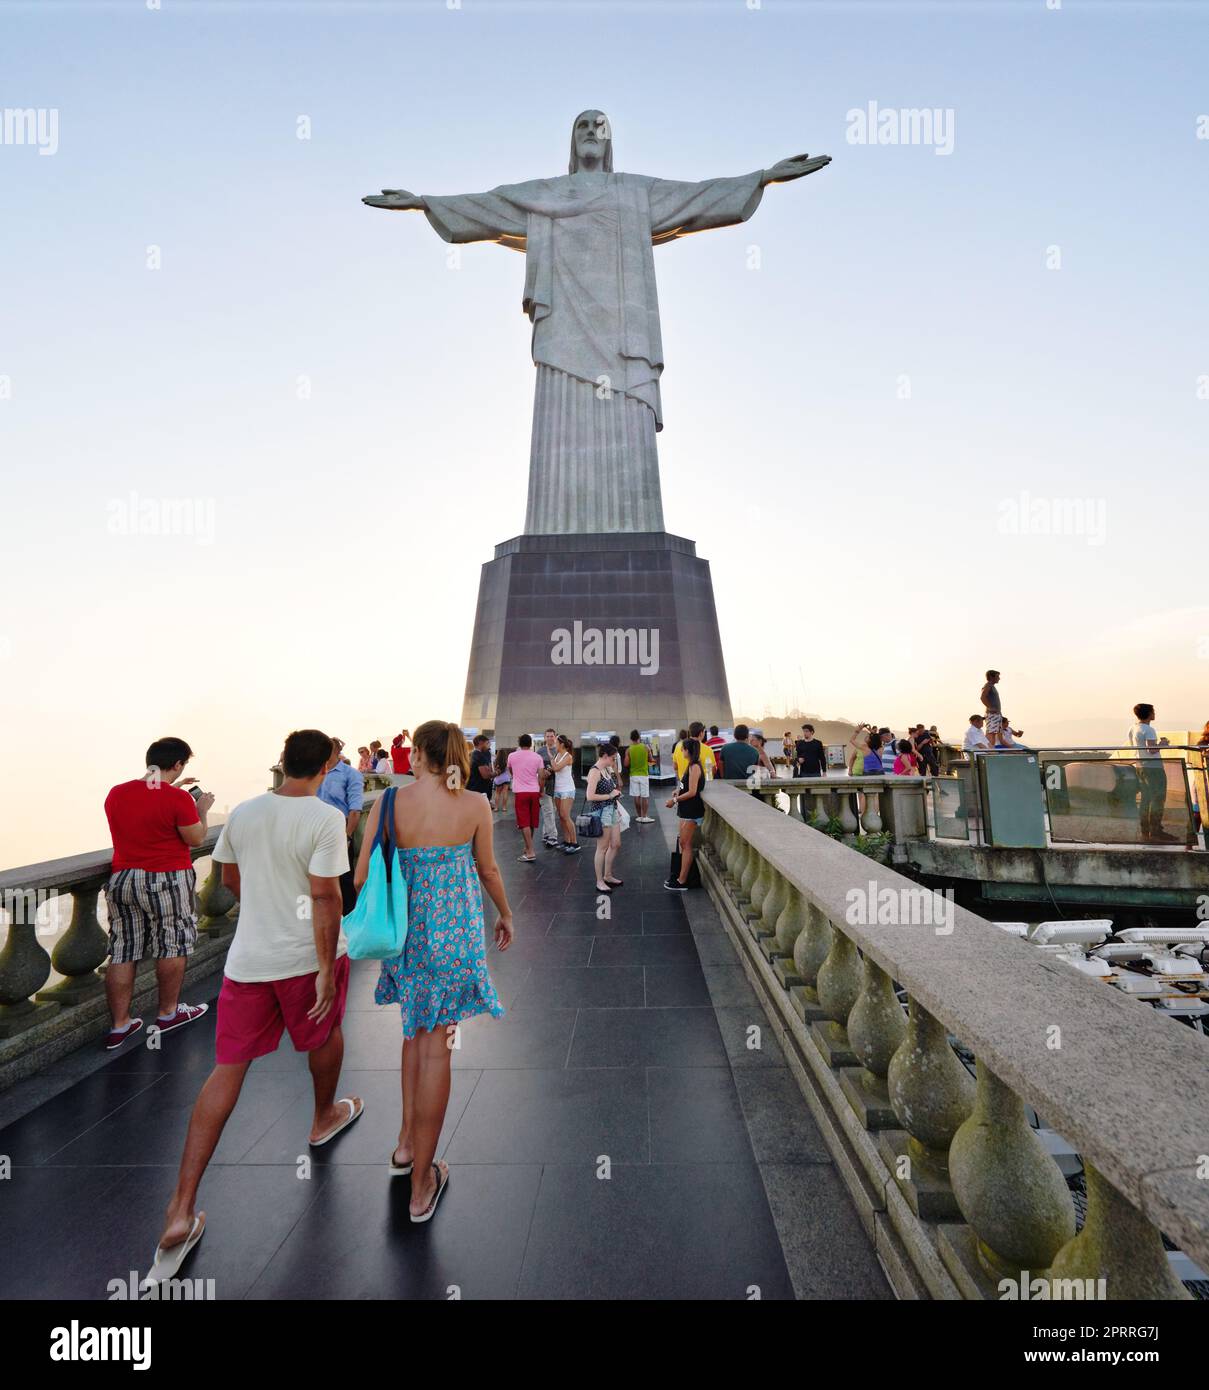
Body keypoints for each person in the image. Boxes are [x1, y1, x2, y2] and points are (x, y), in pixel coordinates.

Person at [146, 729, 355, 1283]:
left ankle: (180, 1209)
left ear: (283, 761)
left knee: (227, 1070)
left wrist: (263, 910)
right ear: (329, 765)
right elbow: (326, 896)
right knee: (324, 1032)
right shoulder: (325, 819)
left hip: (247, 961)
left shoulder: (242, 814)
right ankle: (322, 1115)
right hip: (303, 957)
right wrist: (325, 971)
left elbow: (230, 878)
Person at [360, 720, 512, 1223]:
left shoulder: (387, 803)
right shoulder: (472, 803)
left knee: (413, 1034)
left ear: (420, 754)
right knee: (439, 1047)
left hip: (405, 936)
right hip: (454, 936)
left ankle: (407, 1147)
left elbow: (361, 875)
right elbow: (487, 868)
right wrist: (506, 914)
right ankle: (422, 1185)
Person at [102, 737, 213, 1050]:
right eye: (182, 766)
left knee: (124, 949)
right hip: (166, 878)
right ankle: (167, 1014)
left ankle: (120, 1025)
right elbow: (195, 838)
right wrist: (200, 809)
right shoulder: (178, 799)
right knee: (172, 942)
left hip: (122, 878)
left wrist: (174, 790)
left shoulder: (117, 793)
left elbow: (145, 811)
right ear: (177, 764)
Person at [318, 737, 364, 914]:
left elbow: (355, 809)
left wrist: (347, 836)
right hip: (316, 826)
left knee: (343, 876)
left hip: (339, 827)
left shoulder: (350, 774)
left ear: (337, 751)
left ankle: (348, 916)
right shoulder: (315, 771)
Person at [1128, 702, 1176, 843]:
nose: (1155, 713)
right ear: (1149, 714)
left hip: (1140, 766)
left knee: (1145, 799)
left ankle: (1145, 831)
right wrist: (1164, 744)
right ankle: (1156, 831)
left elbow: (1137, 748)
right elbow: (1152, 749)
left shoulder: (1133, 728)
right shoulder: (1149, 730)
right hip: (1153, 768)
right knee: (1158, 798)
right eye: (1153, 711)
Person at [664, 737, 705, 892]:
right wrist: (678, 791)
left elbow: (693, 792)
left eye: (683, 748)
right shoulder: (691, 765)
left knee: (685, 844)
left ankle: (682, 881)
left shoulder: (695, 767)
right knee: (683, 843)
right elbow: (686, 787)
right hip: (687, 810)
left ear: (689, 750)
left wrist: (674, 800)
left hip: (692, 810)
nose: (681, 751)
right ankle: (681, 876)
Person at [585, 743, 624, 893]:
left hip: (611, 809)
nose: (614, 761)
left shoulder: (606, 770)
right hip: (601, 812)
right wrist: (610, 795)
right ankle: (599, 881)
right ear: (605, 756)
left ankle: (607, 875)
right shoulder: (595, 771)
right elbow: (590, 796)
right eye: (613, 758)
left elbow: (611, 789)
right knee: (602, 848)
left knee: (616, 844)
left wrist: (615, 795)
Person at [507, 733, 546, 862]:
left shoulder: (512, 756)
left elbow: (510, 771)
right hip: (534, 791)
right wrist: (540, 790)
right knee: (532, 821)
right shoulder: (537, 757)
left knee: (524, 822)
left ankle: (530, 851)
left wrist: (517, 776)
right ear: (531, 744)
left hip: (520, 792)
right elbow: (541, 776)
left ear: (519, 743)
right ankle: (528, 847)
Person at [551, 734, 580, 852]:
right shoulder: (557, 755)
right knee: (561, 817)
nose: (554, 744)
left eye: (556, 742)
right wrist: (552, 764)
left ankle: (575, 843)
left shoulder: (568, 756)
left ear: (561, 744)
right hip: (558, 789)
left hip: (567, 789)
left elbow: (556, 768)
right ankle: (567, 841)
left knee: (565, 816)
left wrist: (552, 761)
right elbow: (555, 768)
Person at [537, 728, 562, 850]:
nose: (550, 738)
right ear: (544, 737)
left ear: (555, 737)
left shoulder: (559, 750)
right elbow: (536, 768)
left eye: (552, 736)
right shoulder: (540, 751)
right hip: (544, 784)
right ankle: (552, 836)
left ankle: (546, 833)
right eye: (547, 736)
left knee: (553, 810)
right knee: (548, 810)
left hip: (558, 784)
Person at [624, 730, 653, 823]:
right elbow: (651, 760)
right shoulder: (646, 747)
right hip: (644, 775)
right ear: (639, 737)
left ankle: (639, 816)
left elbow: (626, 764)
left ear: (631, 738)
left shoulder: (629, 749)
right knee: (645, 796)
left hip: (633, 775)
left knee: (636, 796)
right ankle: (644, 817)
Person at [981, 670, 1003, 748]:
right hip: (992, 714)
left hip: (996, 714)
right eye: (997, 676)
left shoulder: (992, 686)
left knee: (993, 733)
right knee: (991, 733)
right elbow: (982, 697)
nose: (999, 678)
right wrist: (990, 707)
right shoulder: (988, 685)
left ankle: (991, 750)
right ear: (991, 677)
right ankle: (988, 751)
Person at [491, 749, 511, 815]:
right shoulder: (507, 761)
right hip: (506, 778)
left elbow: (494, 770)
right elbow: (509, 769)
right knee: (505, 792)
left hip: (498, 779)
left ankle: (496, 807)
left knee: (497, 793)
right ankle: (504, 807)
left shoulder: (495, 761)